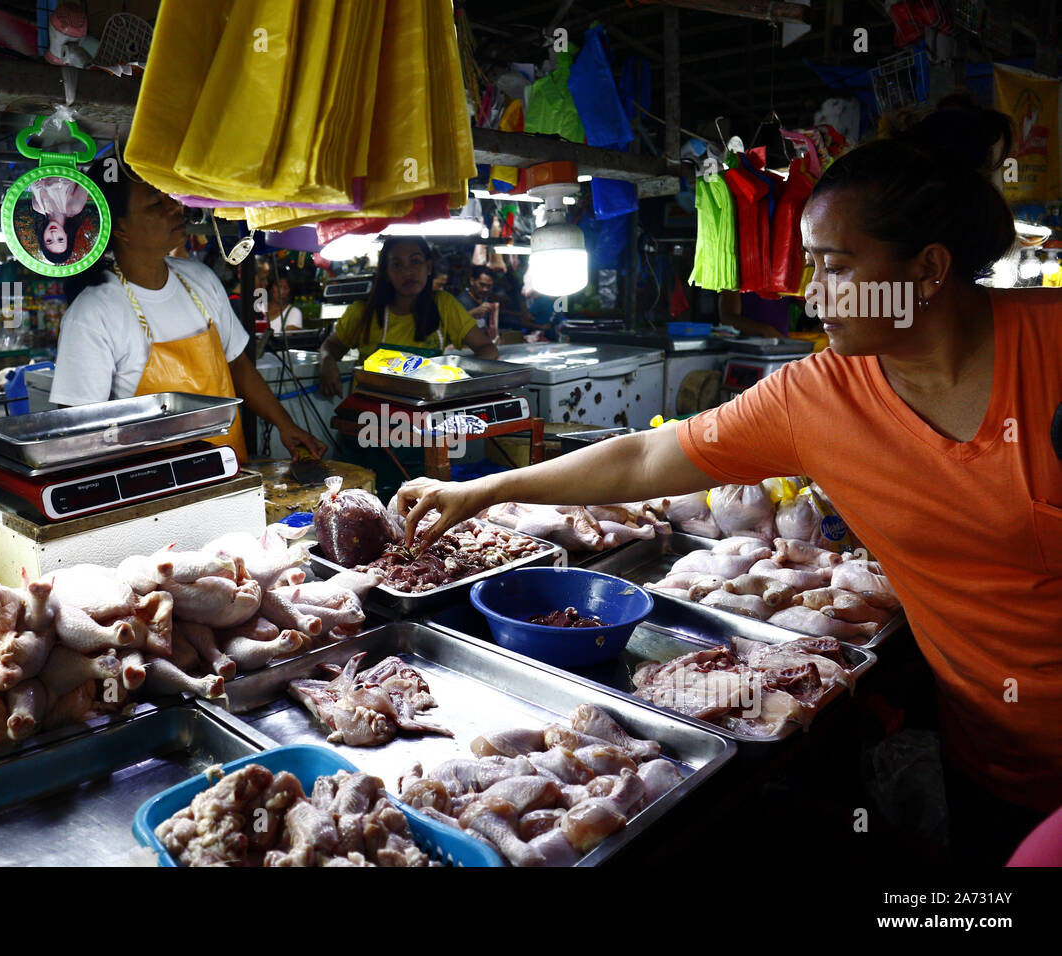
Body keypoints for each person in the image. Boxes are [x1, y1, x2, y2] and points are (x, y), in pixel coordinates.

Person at [395, 99, 1062, 864]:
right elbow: (646, 459)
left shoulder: (1053, 349)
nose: (811, 295)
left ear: (930, 268)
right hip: (990, 758)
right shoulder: (821, 395)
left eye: (836, 268)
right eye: (811, 264)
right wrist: (482, 492)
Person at [51, 156, 325, 463]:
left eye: (172, 197)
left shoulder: (201, 280)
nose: (175, 207)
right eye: (157, 203)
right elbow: (80, 429)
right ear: (121, 228)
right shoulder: (92, 313)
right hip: (153, 489)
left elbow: (238, 366)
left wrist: (285, 425)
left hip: (227, 470)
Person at [317, 238, 499, 397]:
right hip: (369, 420)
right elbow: (332, 346)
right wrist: (326, 361)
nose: (408, 272)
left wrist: (458, 383)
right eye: (397, 265)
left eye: (415, 262)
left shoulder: (444, 305)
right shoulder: (362, 312)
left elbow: (487, 349)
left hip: (423, 417)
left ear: (428, 267)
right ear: (387, 273)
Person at [29, 176, 89, 265]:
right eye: (60, 239)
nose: (53, 233)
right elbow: (87, 178)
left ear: (43, 239)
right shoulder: (75, 207)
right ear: (67, 235)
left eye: (49, 240)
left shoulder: (37, 206)